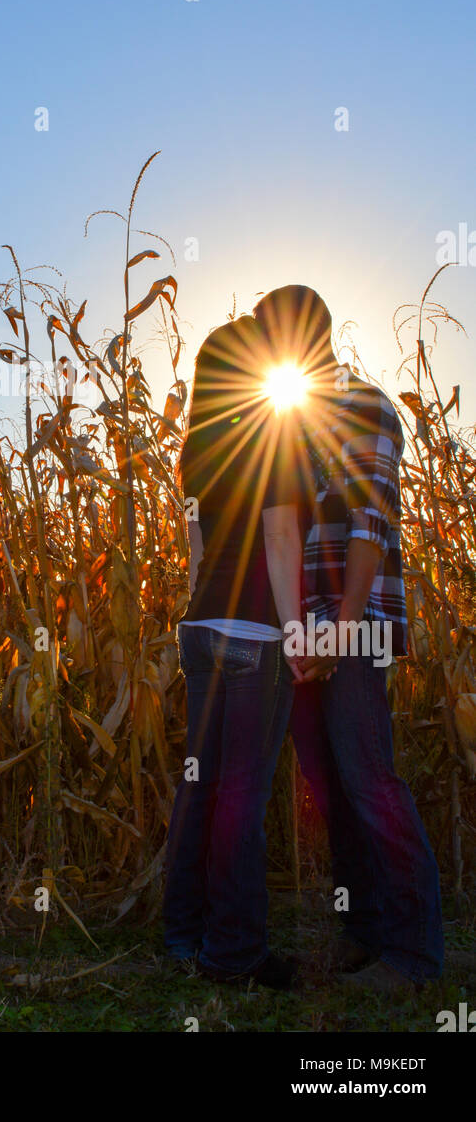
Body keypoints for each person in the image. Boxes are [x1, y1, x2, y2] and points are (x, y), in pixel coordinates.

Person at [253, 284, 444, 992]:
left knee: (370, 781)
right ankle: (363, 934)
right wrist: (298, 633)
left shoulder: (363, 406)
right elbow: (282, 533)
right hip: (307, 633)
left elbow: (371, 521)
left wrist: (345, 624)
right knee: (327, 789)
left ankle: (414, 956)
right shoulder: (288, 419)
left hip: (354, 625)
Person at [163, 315, 311, 988]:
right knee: (242, 797)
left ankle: (182, 937)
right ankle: (236, 955)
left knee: (200, 788)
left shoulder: (196, 448)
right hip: (254, 634)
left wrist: (197, 615)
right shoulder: (272, 435)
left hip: (201, 631)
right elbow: (280, 540)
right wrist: (297, 628)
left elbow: (195, 554)